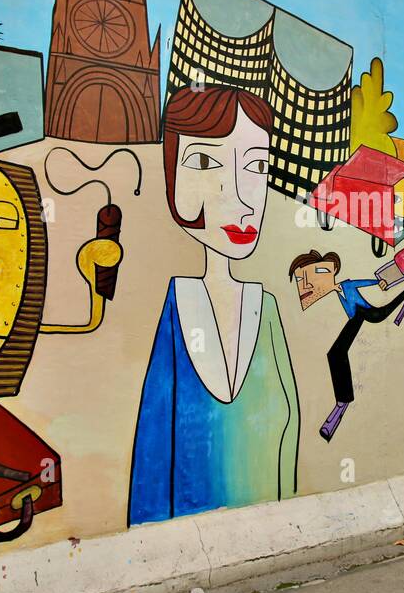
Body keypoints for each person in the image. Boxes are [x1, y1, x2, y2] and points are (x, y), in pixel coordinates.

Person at [128, 86, 300, 525]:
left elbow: (290, 433)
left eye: (257, 166)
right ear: (174, 182)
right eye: (206, 162)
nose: (242, 196)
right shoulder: (176, 306)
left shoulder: (268, 310)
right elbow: (152, 449)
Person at [288, 249, 404, 441]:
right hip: (358, 318)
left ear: (334, 269)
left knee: (380, 315)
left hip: (368, 313)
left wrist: (378, 283)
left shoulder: (346, 284)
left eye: (317, 273)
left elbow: (363, 283)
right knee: (336, 354)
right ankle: (342, 402)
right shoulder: (337, 293)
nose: (306, 283)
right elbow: (349, 310)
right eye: (301, 280)